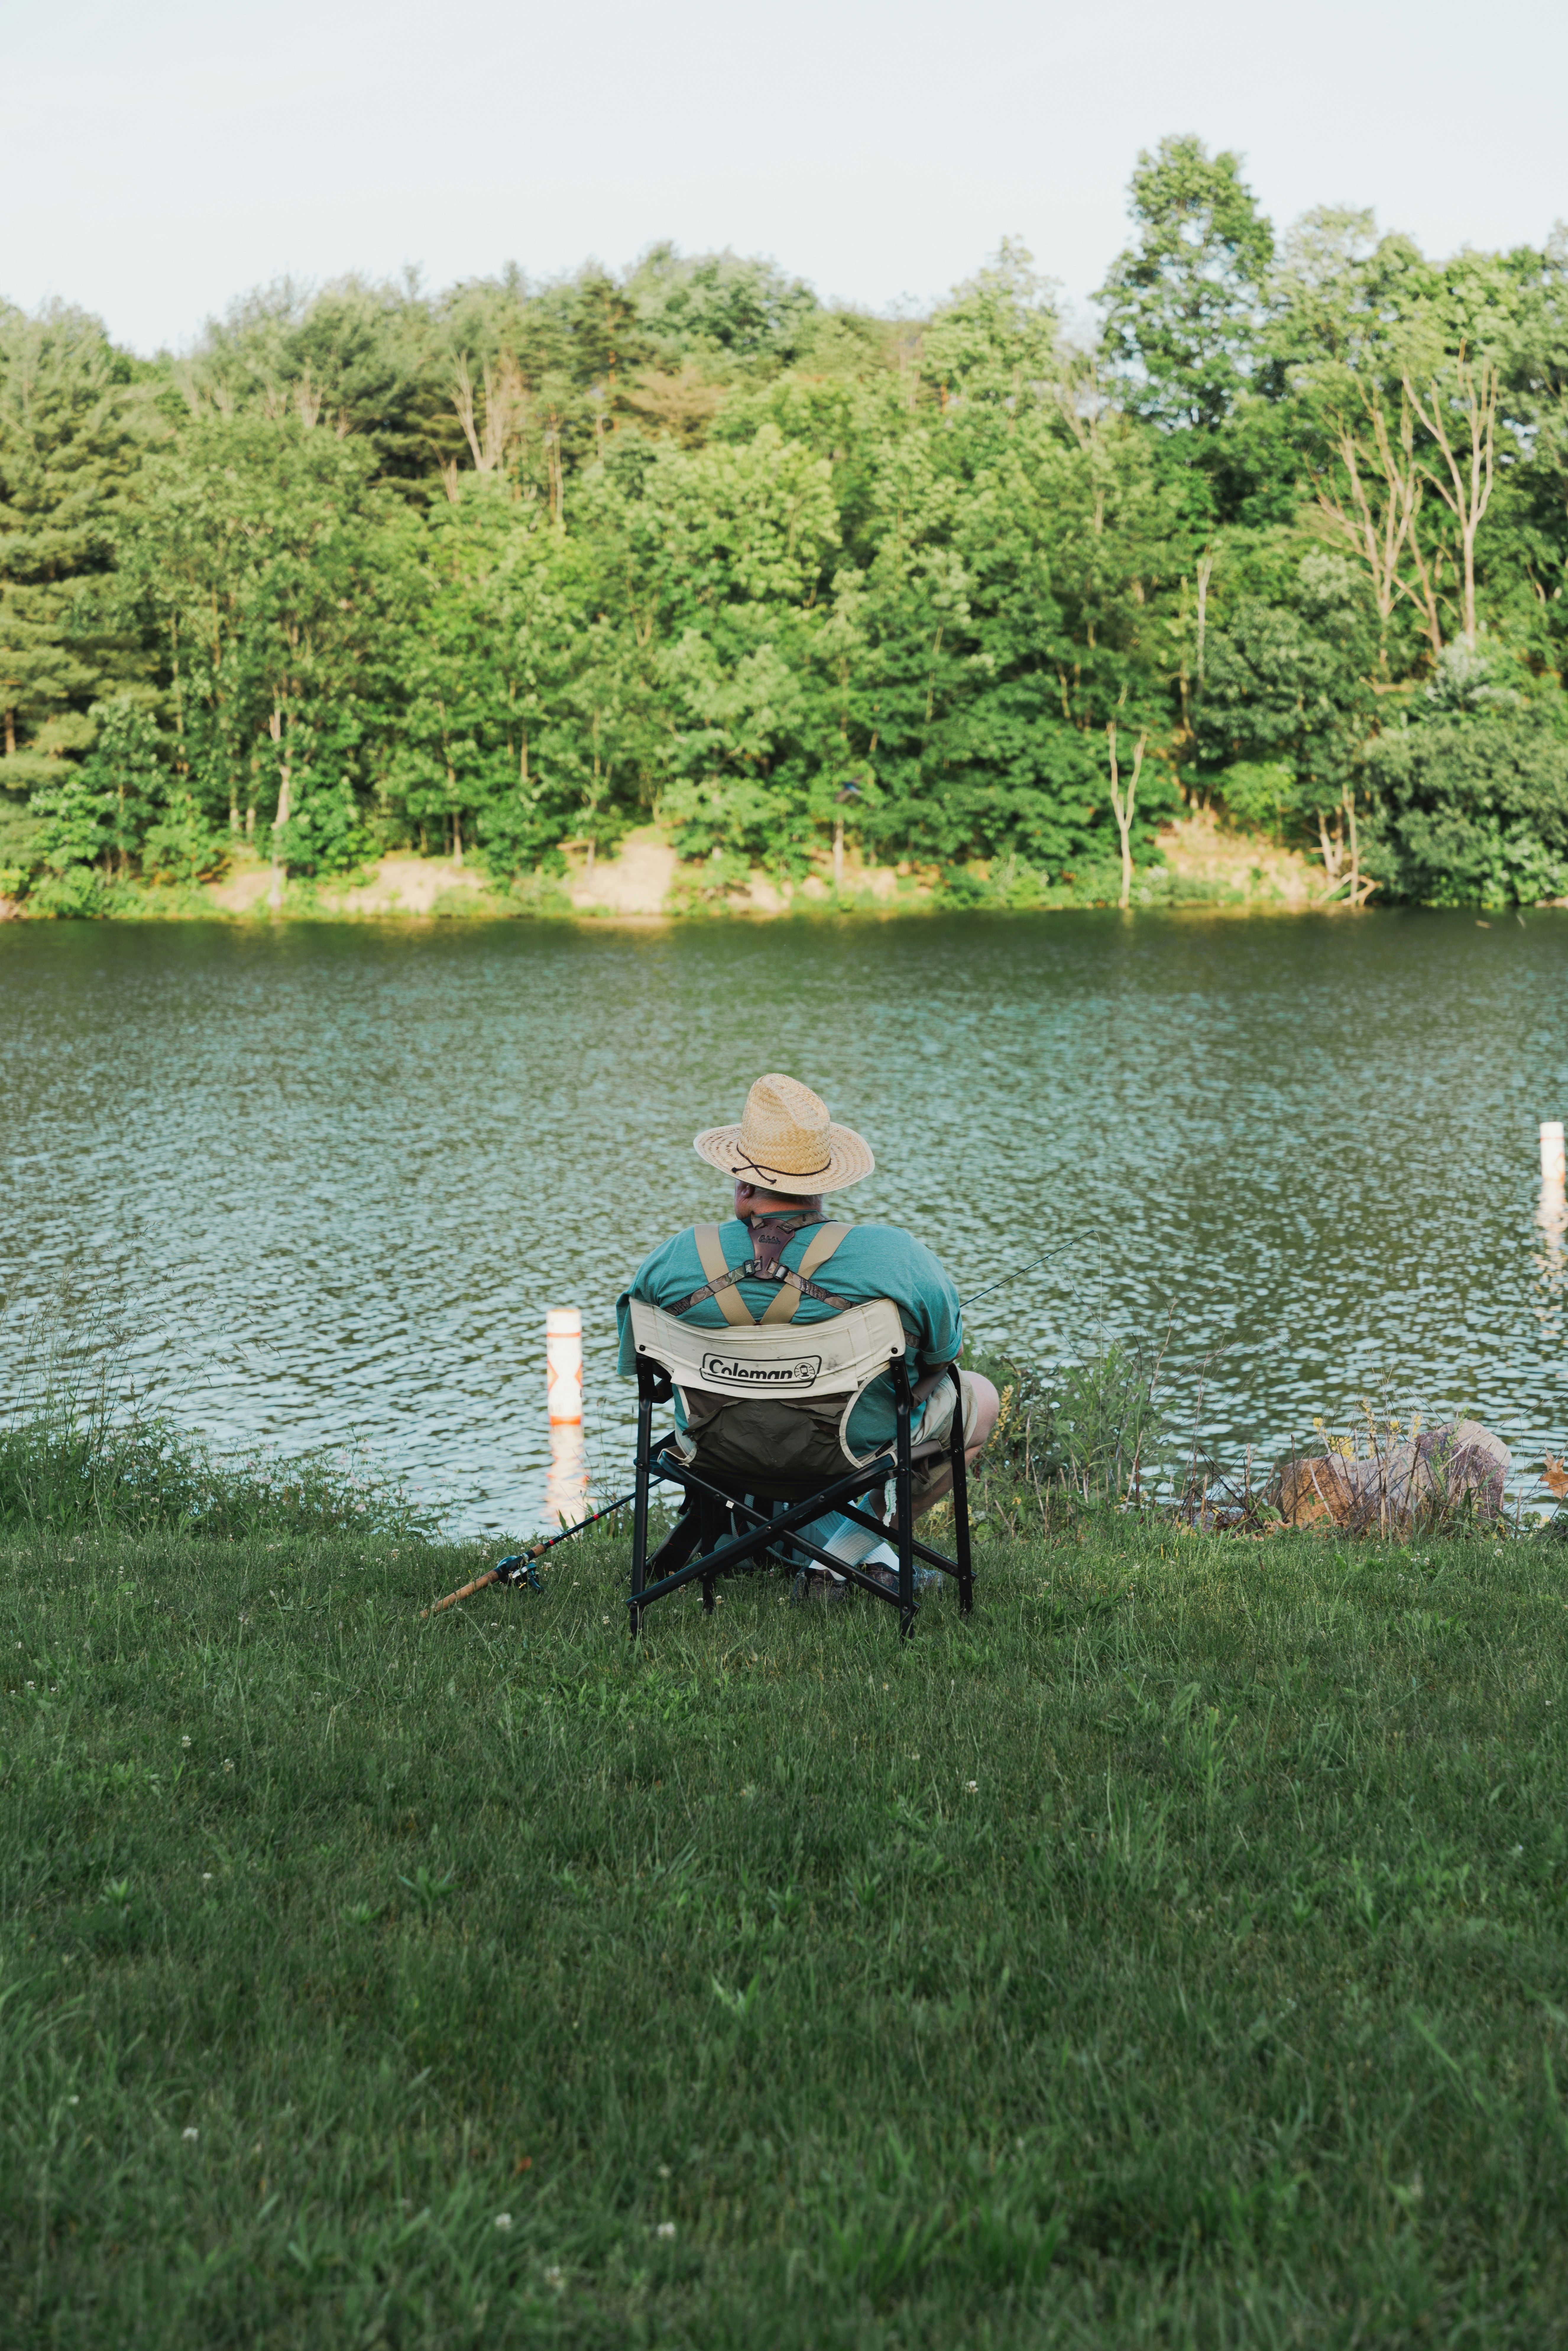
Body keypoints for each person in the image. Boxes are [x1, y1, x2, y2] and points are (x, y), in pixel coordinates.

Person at [615, 1071, 999, 1601]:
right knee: (982, 1396)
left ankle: (792, 1548)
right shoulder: (897, 1256)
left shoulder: (672, 1258)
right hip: (850, 1454)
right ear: (825, 1181)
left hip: (714, 1452)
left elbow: (644, 1372)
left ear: (743, 1185)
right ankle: (836, 1562)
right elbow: (942, 1358)